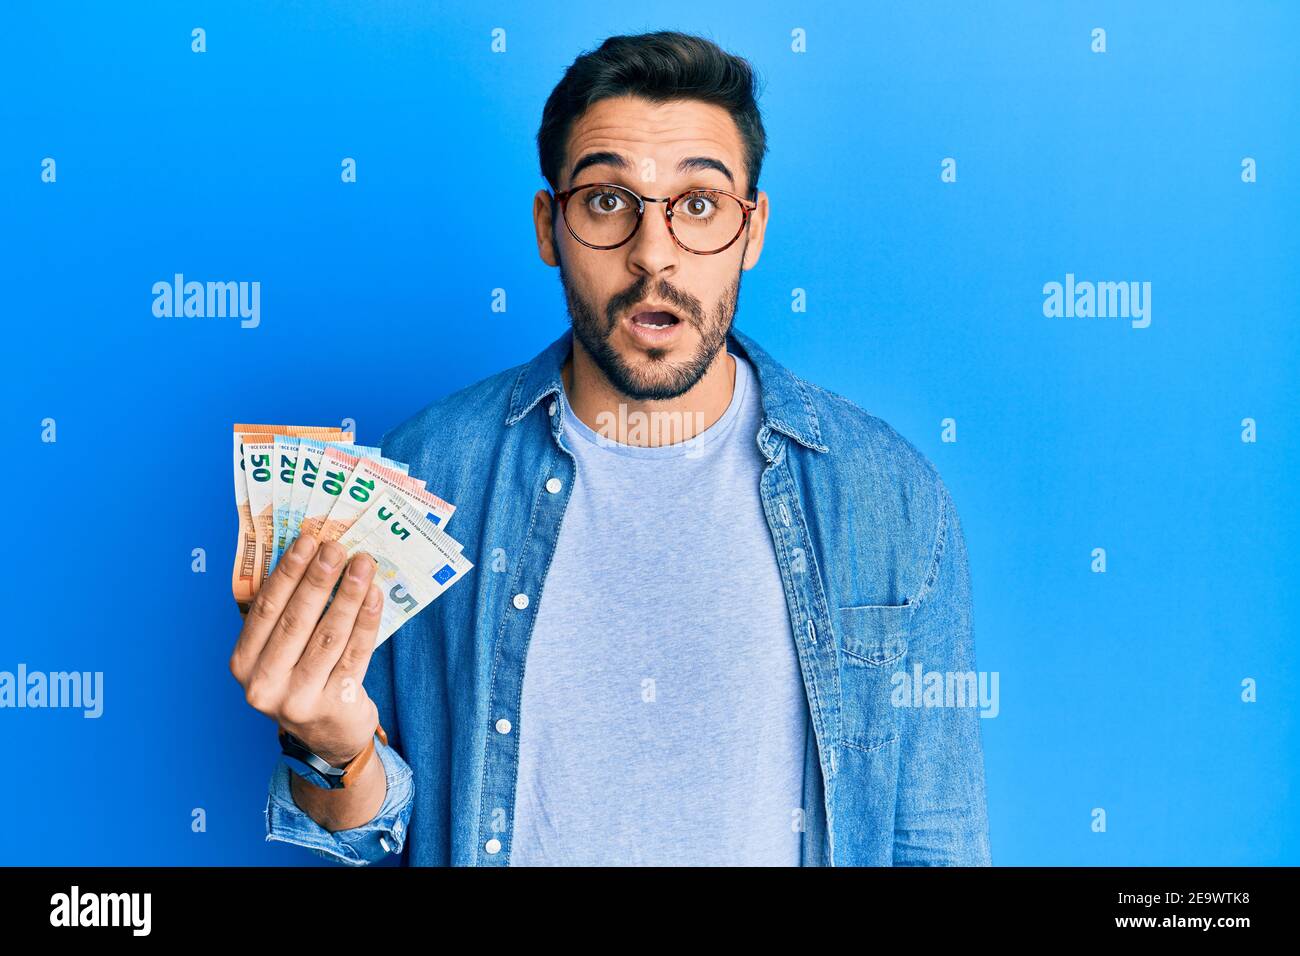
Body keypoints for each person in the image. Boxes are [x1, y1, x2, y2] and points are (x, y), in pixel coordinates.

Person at [229, 30, 991, 866]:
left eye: (698, 205)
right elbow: (371, 833)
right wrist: (331, 750)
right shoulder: (430, 471)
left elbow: (936, 844)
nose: (653, 254)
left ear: (752, 230)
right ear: (549, 227)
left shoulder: (889, 498)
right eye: (606, 201)